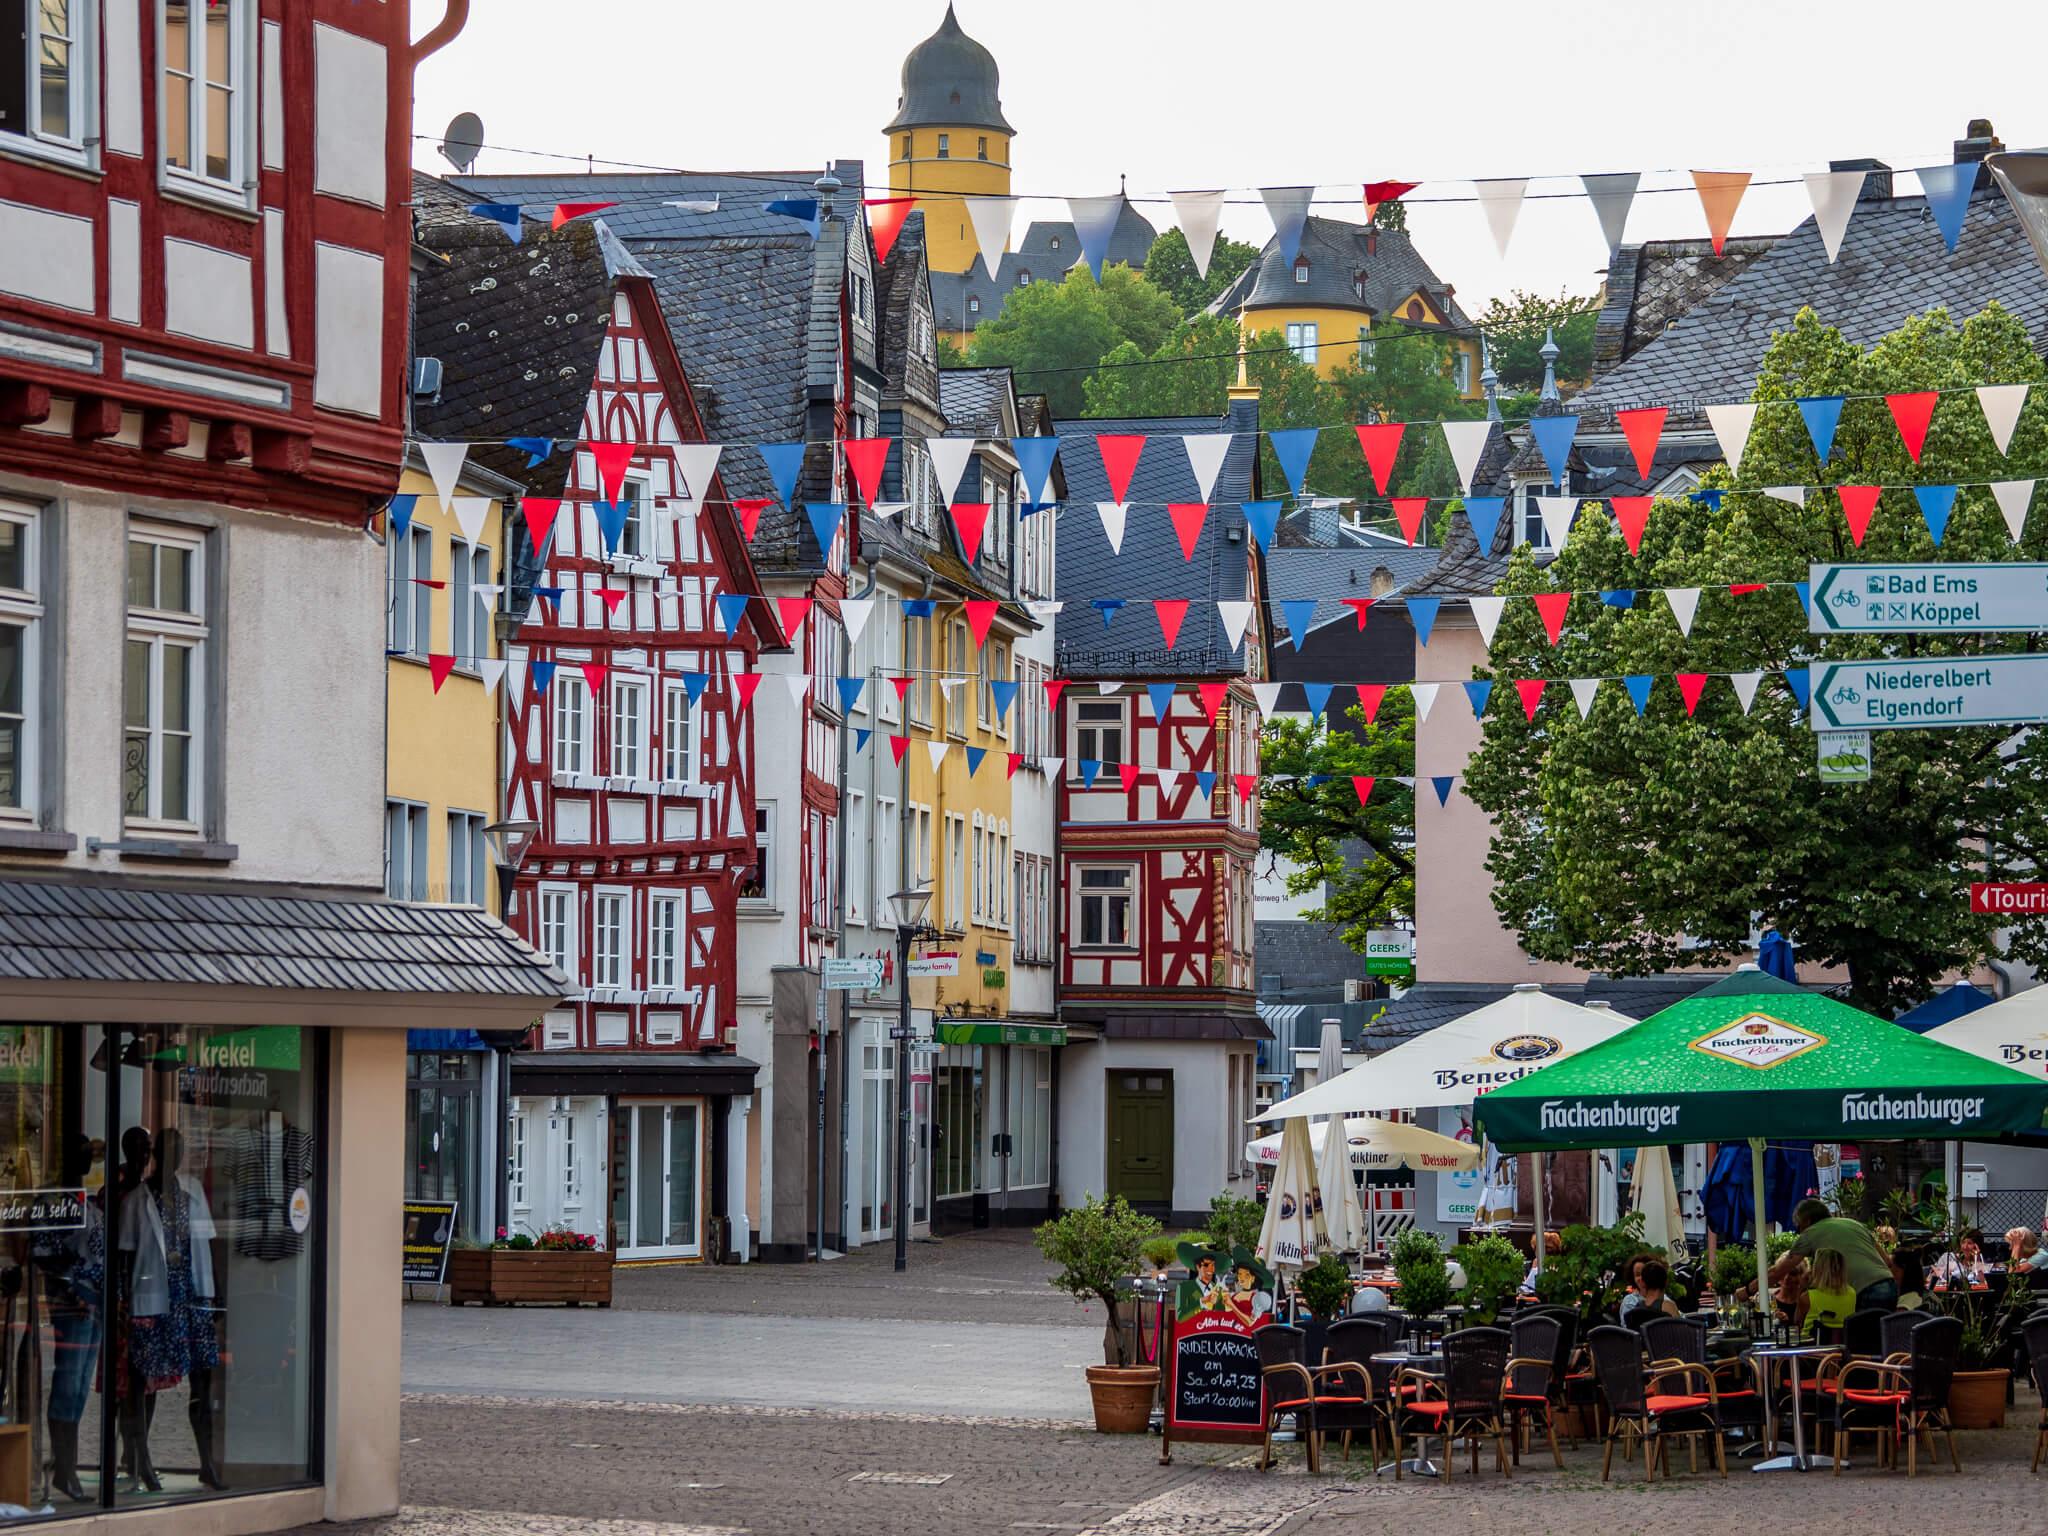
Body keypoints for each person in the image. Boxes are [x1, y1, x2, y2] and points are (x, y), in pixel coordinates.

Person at [1772, 1199, 1897, 1311]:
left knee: (1860, 1335)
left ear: (1807, 1221)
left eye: (1799, 1227)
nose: (1799, 1232)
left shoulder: (1810, 1233)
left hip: (1864, 1290)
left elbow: (1779, 1270)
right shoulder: (1854, 1224)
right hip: (1889, 1285)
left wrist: (1753, 1287)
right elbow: (1888, 1261)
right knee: (1883, 1335)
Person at [1803, 1250, 1857, 1337]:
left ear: (1817, 1268)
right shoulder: (1852, 1293)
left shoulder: (1808, 1297)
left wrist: (1802, 1285)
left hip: (1812, 1346)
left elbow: (1796, 1323)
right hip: (1841, 1346)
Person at [1619, 1259, 1682, 1326]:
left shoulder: (1634, 1311)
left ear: (1643, 1283)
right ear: (1666, 1282)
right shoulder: (1668, 1306)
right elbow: (1681, 1332)